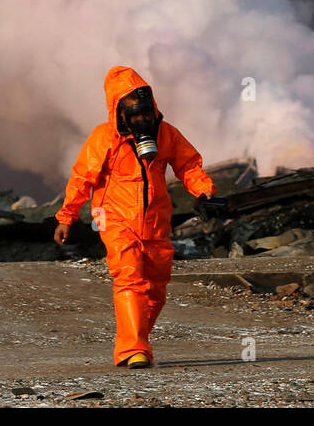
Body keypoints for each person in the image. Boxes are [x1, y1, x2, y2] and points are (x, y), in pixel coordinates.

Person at [54, 65, 215, 368]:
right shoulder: (104, 138)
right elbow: (82, 178)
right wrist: (67, 216)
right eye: (136, 114)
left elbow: (189, 166)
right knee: (129, 277)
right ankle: (132, 350)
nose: (143, 119)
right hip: (114, 216)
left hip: (155, 219)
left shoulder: (166, 134)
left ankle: (135, 338)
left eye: (146, 112)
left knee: (155, 286)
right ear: (120, 113)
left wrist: (205, 191)